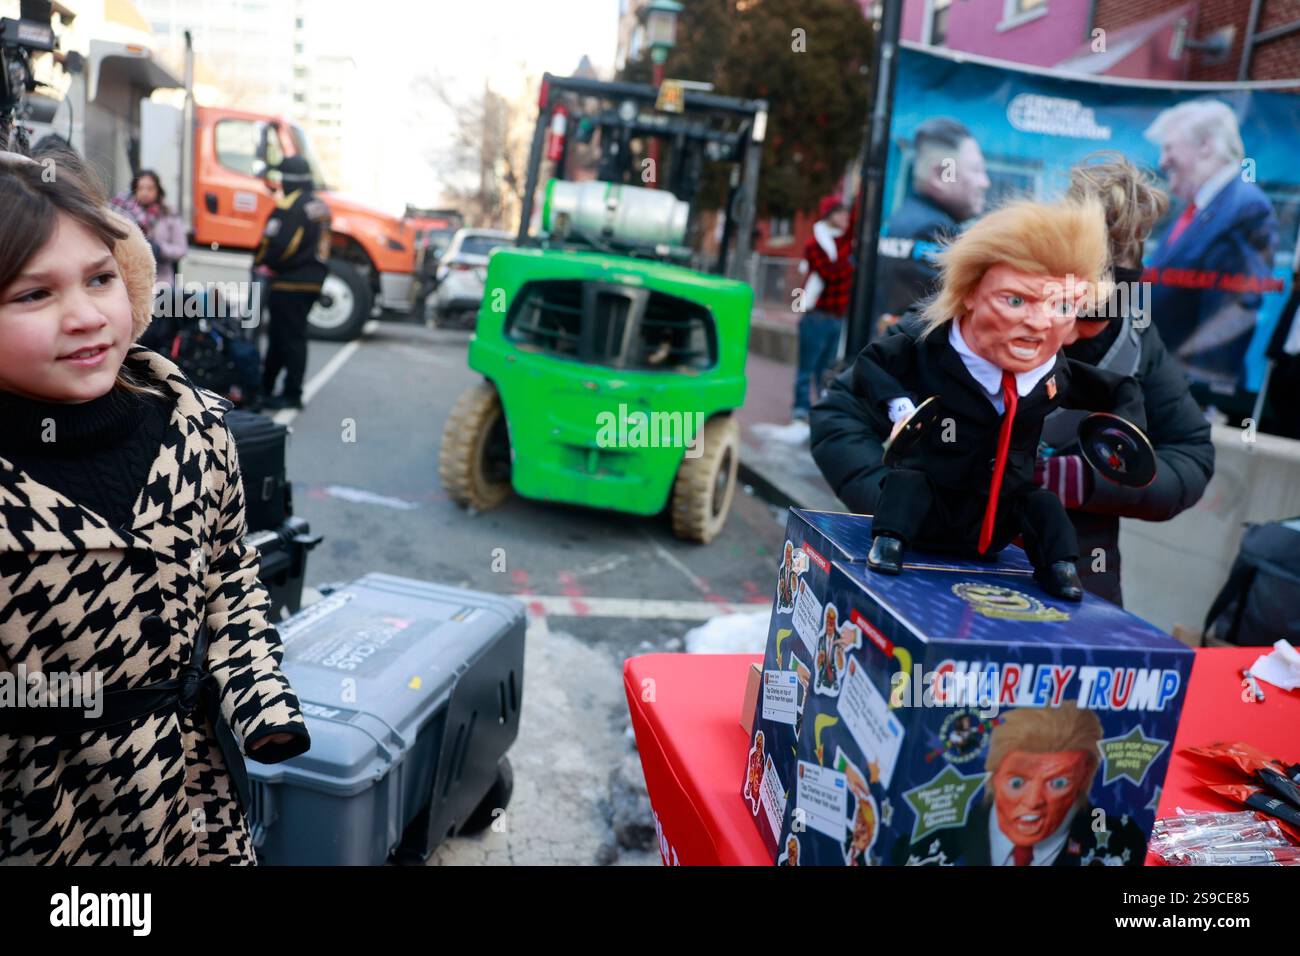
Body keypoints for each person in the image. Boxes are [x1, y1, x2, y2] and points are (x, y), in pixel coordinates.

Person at [0, 146, 310, 864]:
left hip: (187, 796)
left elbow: (228, 574)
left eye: (100, 278)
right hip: (46, 815)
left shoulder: (194, 425)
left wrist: (258, 695)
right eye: (32, 294)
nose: (84, 316)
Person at [811, 155, 1215, 607]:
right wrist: (900, 504)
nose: (1052, 330)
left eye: (1084, 312)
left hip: (1066, 585)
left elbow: (1192, 457)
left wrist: (1090, 480)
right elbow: (838, 413)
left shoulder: (1139, 347)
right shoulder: (958, 322)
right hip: (929, 569)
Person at [848, 199, 1150, 601]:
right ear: (971, 293)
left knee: (1043, 506)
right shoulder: (932, 349)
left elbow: (1122, 390)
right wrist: (901, 410)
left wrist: (1119, 439)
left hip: (998, 522)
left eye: (1061, 306)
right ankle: (888, 541)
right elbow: (871, 365)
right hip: (930, 507)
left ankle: (1059, 568)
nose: (1039, 322)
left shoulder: (1055, 375)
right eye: (1016, 301)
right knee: (907, 484)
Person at [894, 704, 1146, 866]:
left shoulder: (1119, 844)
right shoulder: (926, 847)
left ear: (1085, 774)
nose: (1034, 800)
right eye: (1017, 782)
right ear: (993, 774)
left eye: (1058, 783)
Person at [1143, 99, 1279, 393]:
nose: (1163, 161)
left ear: (1205, 146)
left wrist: (1193, 390)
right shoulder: (1202, 208)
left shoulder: (1245, 207)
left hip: (1186, 393)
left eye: (1169, 148)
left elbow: (1234, 310)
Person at [873, 117, 991, 335]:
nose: (985, 182)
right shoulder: (934, 230)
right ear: (939, 175)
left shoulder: (905, 217)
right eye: (976, 170)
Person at [256, 155, 332, 411]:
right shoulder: (319, 206)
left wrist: (265, 261)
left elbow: (281, 244)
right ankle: (269, 387)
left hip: (290, 282)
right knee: (289, 337)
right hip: (313, 280)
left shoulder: (290, 207)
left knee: (286, 338)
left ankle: (290, 392)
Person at [792, 196, 855, 421]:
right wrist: (848, 265)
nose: (845, 217)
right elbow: (829, 272)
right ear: (829, 215)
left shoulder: (846, 242)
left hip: (838, 316)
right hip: (816, 315)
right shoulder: (814, 243)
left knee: (827, 368)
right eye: (840, 213)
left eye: (847, 213)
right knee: (807, 367)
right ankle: (800, 408)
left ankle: (822, 409)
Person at [110, 169, 188, 286]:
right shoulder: (124, 212)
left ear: (158, 190)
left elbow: (181, 249)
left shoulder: (169, 214)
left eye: (150, 188)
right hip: (131, 281)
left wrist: (160, 249)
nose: (145, 193)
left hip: (161, 281)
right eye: (140, 188)